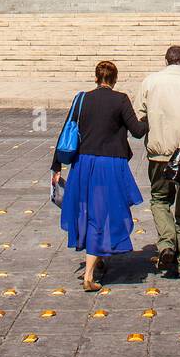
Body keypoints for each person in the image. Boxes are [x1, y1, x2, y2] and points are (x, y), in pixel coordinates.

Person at [52, 60, 148, 292]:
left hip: (84, 163)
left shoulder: (81, 99)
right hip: (110, 165)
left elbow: (66, 131)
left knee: (88, 210)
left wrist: (56, 167)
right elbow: (137, 131)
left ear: (96, 78)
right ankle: (89, 274)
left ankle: (99, 257)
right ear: (114, 79)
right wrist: (148, 118)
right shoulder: (120, 99)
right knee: (101, 213)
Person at [134, 46, 180, 278]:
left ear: (166, 60)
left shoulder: (150, 81)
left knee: (159, 199)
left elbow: (139, 116)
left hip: (159, 153)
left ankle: (166, 244)